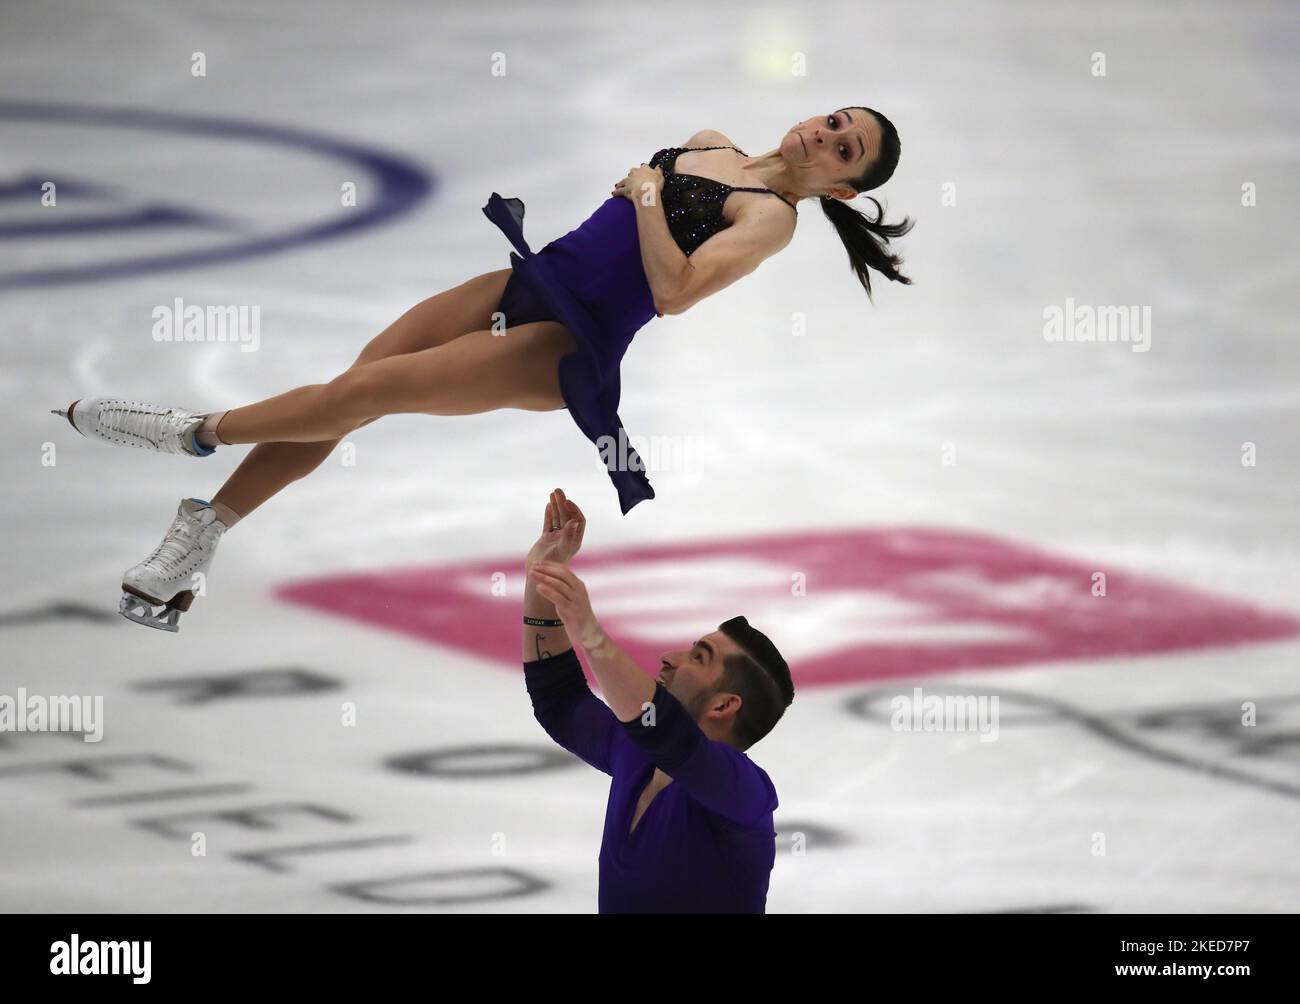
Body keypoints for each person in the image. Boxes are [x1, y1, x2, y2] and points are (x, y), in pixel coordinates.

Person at [53, 107, 913, 630]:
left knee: (363, 393)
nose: (828, 135)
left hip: (566, 342)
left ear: (841, 191)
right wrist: (649, 192)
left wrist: (650, 197)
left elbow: (676, 291)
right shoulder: (711, 141)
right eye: (837, 121)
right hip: (530, 278)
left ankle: (190, 433)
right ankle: (202, 531)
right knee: (347, 394)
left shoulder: (770, 219)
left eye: (846, 151)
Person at [523, 488, 794, 913]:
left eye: (698, 657)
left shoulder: (743, 794)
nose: (670, 657)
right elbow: (558, 699)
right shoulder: (638, 755)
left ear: (723, 706)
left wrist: (590, 631)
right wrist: (544, 576)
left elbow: (669, 733)